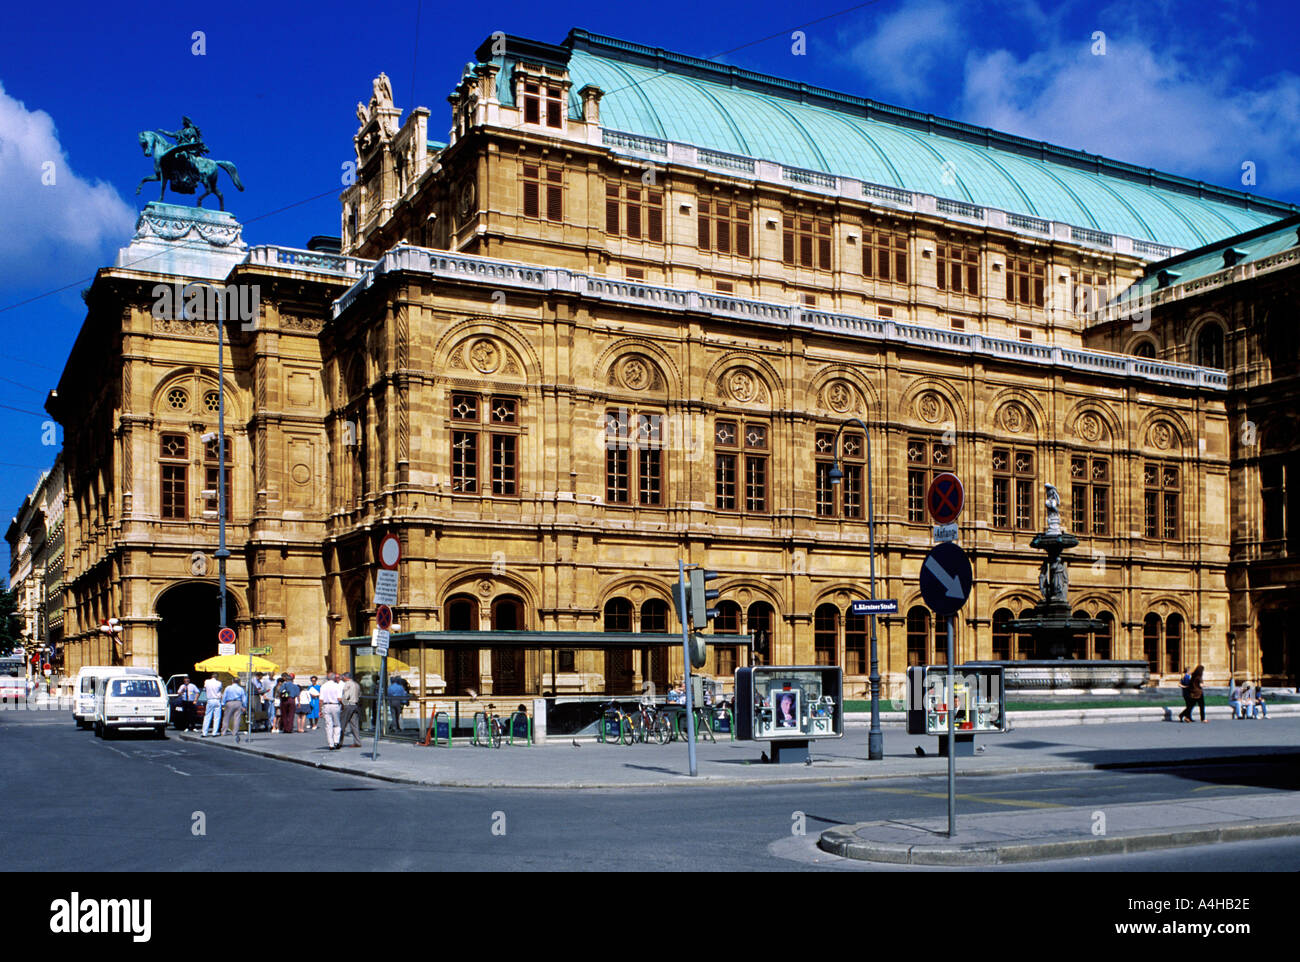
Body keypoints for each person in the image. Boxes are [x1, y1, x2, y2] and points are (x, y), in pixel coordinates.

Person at [318, 672, 344, 749]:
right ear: (334, 678)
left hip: (326, 705)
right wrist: (343, 705)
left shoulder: (323, 686)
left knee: (328, 725)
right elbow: (339, 698)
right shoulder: (337, 686)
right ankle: (336, 741)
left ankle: (330, 744)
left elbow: (321, 700)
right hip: (335, 705)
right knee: (337, 724)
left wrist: (320, 710)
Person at [339, 672, 362, 747]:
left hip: (348, 704)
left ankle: (339, 742)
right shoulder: (356, 684)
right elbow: (359, 694)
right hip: (355, 705)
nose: (342, 678)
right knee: (354, 724)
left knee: (342, 724)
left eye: (343, 677)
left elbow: (346, 696)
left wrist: (342, 702)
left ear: (346, 677)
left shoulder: (347, 684)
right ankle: (357, 742)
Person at [201, 673, 224, 737]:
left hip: (210, 699)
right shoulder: (219, 683)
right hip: (217, 700)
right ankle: (214, 733)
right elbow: (220, 691)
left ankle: (204, 732)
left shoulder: (207, 681)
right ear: (217, 677)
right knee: (217, 717)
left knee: (207, 716)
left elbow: (205, 688)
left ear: (211, 676)